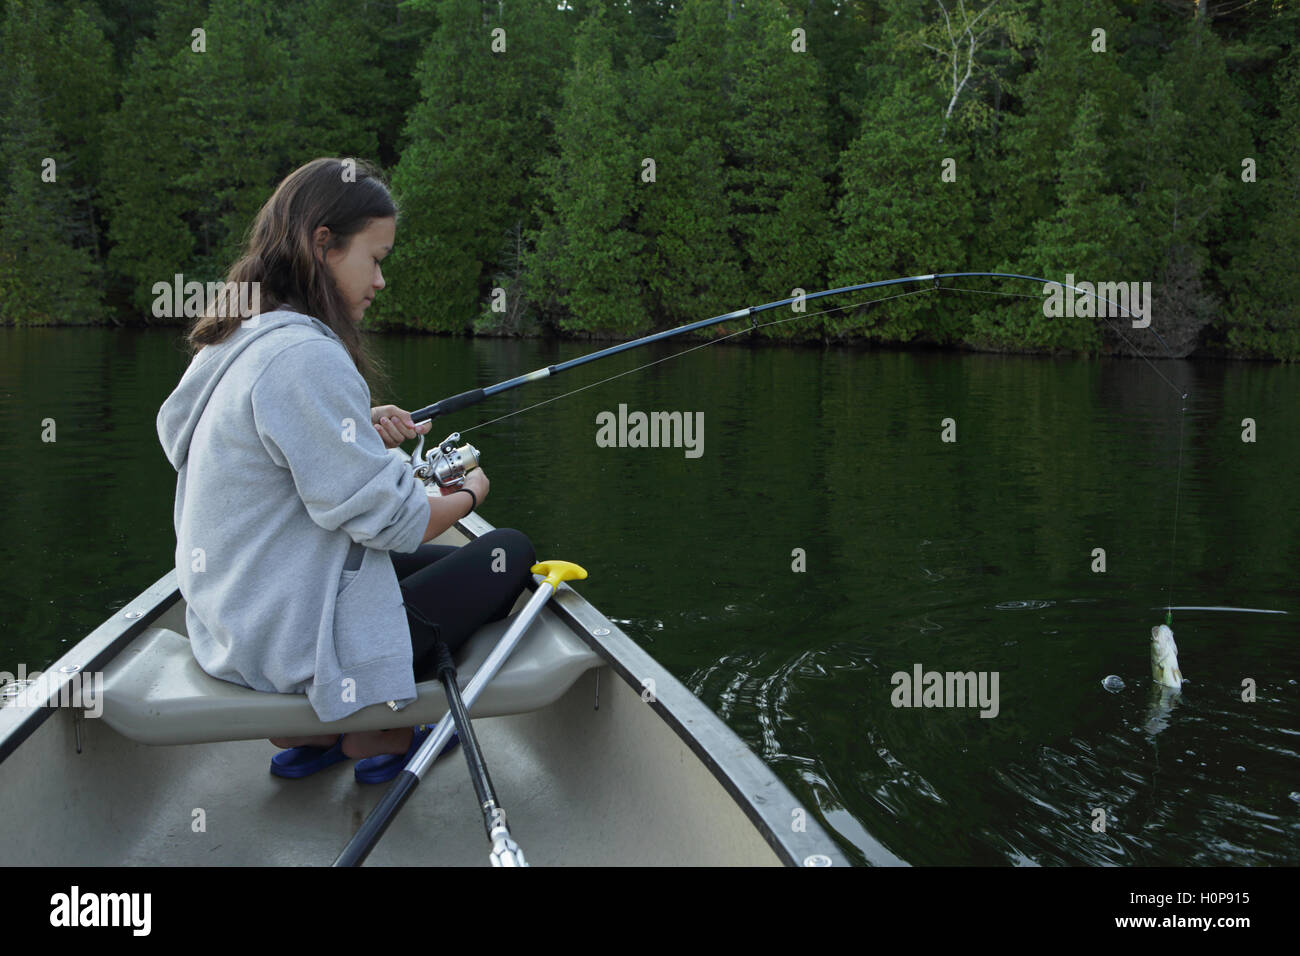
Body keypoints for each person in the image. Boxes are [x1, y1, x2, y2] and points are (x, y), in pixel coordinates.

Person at [155, 157, 536, 783]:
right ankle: (373, 728)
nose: (381, 280)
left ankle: (316, 731)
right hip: (292, 644)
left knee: (451, 568)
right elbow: (393, 525)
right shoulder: (305, 355)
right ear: (323, 246)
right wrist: (467, 495)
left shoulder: (237, 339)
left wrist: (355, 420)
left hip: (233, 625)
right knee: (508, 552)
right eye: (376, 258)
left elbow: (284, 459)